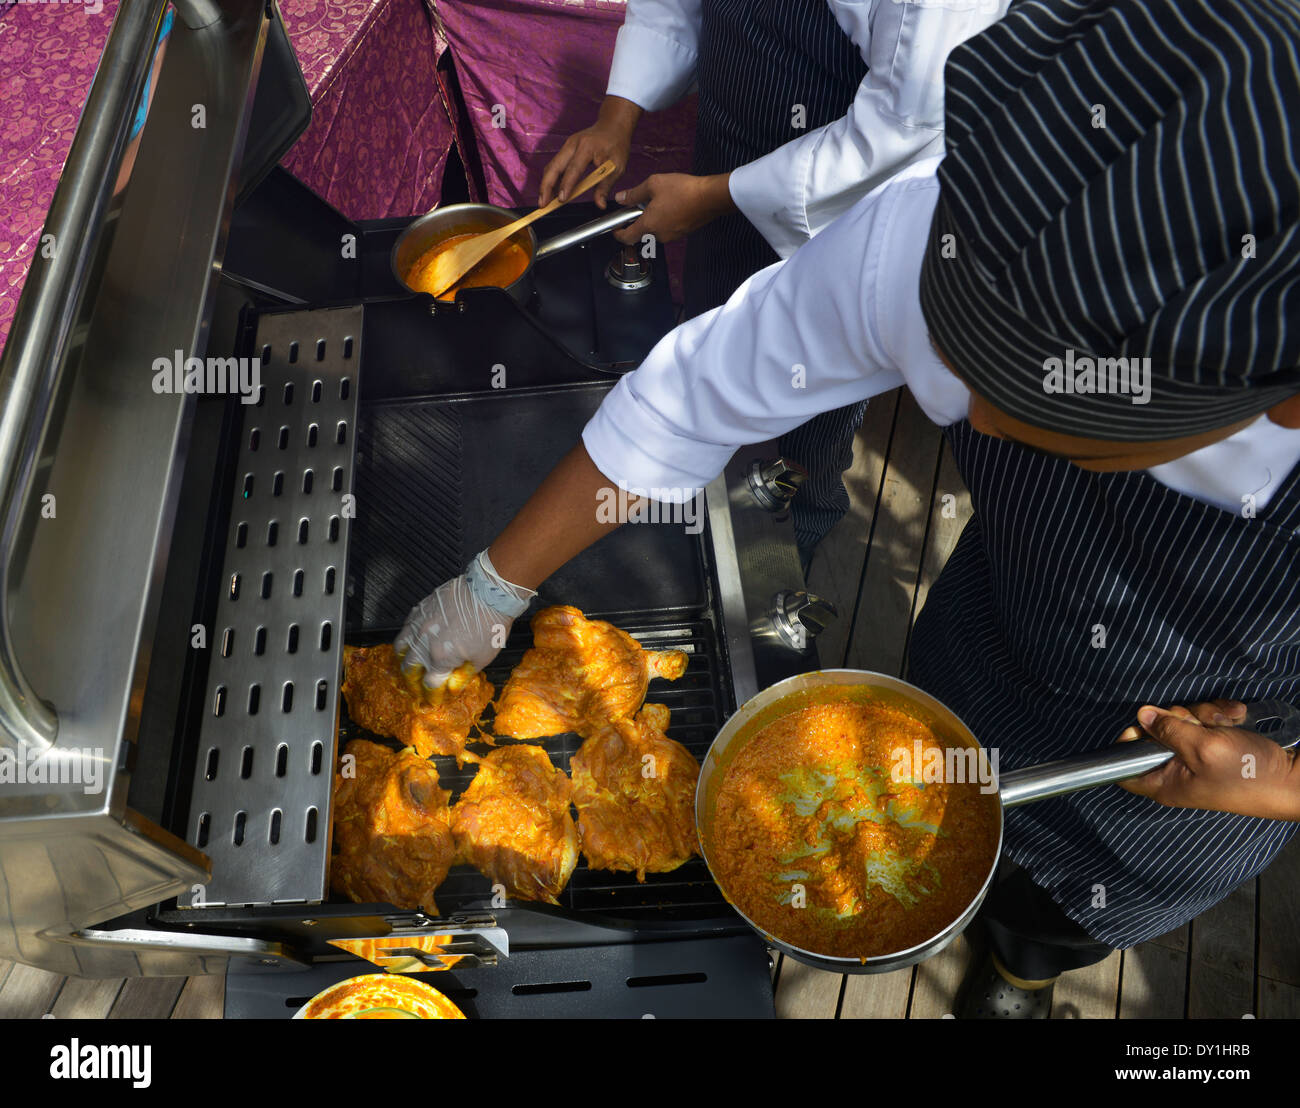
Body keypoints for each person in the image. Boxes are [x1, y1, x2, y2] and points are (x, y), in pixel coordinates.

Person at [401, 0, 1300, 1017]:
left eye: (1048, 412)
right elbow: (692, 395)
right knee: (928, 800)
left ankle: (1021, 967)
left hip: (1209, 779)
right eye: (955, 364)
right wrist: (493, 582)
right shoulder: (940, 230)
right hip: (992, 635)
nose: (975, 426)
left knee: (1067, 912)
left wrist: (1271, 780)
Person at [540, 0, 1007, 558]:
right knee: (712, 344)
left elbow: (904, 128)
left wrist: (719, 195)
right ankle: (692, 520)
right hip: (726, 148)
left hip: (839, 207)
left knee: (801, 429)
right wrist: (618, 115)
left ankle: (786, 554)